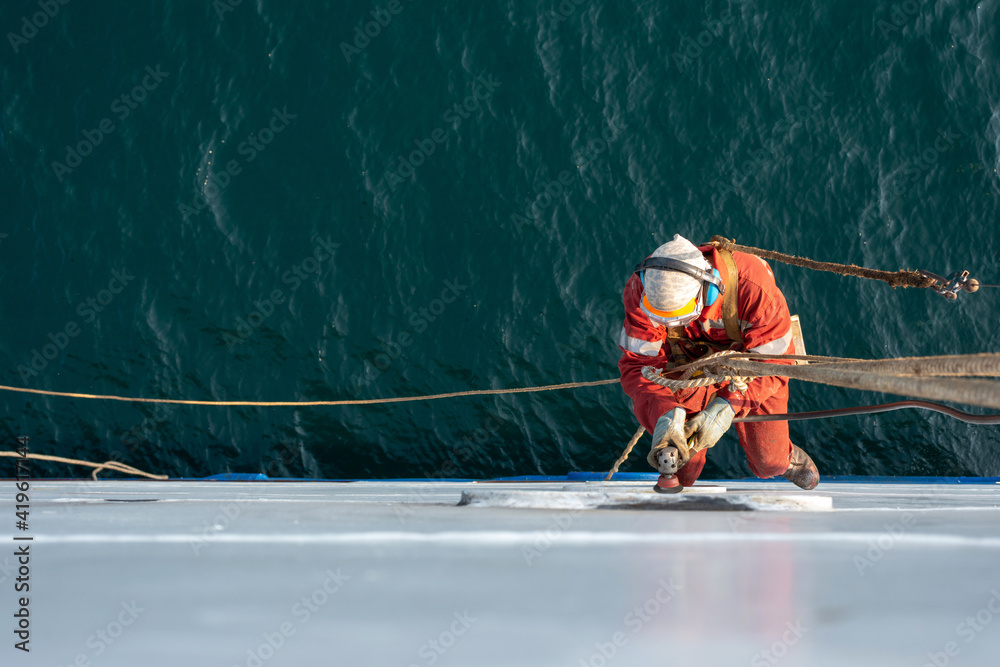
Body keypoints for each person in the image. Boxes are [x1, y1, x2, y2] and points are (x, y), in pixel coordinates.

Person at [617, 234, 819, 490]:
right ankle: (683, 480)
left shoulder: (755, 289)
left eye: (678, 318)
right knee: (679, 461)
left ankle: (785, 462)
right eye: (662, 321)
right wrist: (663, 412)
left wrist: (727, 406)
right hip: (684, 365)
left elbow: (775, 365)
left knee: (769, 459)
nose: (669, 327)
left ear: (709, 291)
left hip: (752, 369)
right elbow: (638, 366)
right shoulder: (644, 289)